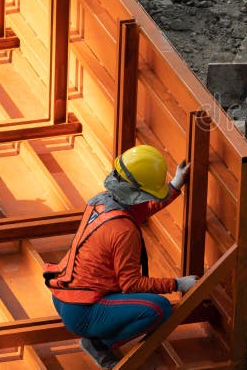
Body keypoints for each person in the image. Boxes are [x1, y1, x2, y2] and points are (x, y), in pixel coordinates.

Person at [43, 145, 199, 368]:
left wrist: (174, 185)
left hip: (64, 297)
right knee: (159, 309)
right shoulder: (124, 231)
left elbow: (141, 210)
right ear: (137, 193)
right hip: (85, 311)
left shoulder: (101, 200)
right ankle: (100, 344)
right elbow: (132, 284)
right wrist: (177, 283)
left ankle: (98, 337)